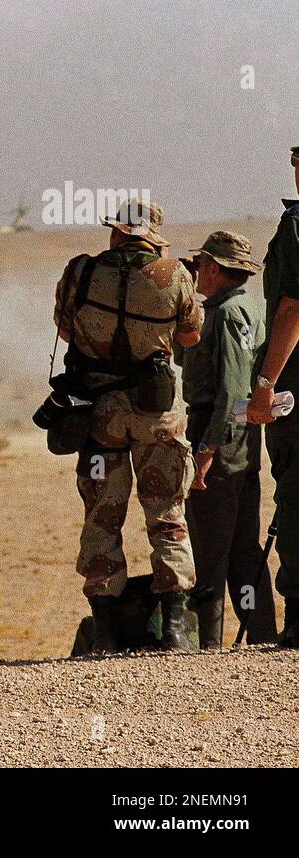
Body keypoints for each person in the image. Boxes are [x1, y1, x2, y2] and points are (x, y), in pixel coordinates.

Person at [53, 198, 202, 652]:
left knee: (101, 514)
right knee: (167, 512)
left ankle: (106, 631)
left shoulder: (80, 272)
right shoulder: (175, 274)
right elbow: (191, 335)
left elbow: (65, 330)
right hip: (157, 415)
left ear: (116, 232)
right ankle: (174, 627)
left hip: (98, 414)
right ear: (150, 237)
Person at [180, 232, 275, 646]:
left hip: (218, 433)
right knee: (241, 546)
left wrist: (206, 450)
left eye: (200, 266)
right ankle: (261, 636)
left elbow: (233, 389)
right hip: (238, 437)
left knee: (212, 549)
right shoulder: (239, 307)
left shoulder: (229, 313)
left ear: (215, 268)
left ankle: (209, 646)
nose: (196, 273)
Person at [247, 146, 299, 646]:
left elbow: (292, 308)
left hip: (296, 393)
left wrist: (265, 386)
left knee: (297, 498)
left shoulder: (296, 227)